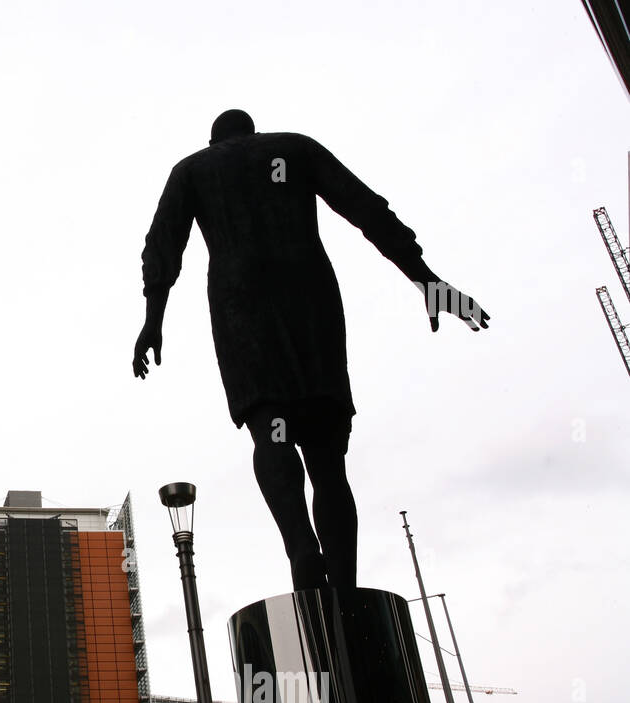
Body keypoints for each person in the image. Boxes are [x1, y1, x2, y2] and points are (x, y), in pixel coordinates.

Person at [134, 109, 490, 590]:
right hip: (310, 300)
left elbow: (161, 248)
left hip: (243, 307)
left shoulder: (194, 170)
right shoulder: (294, 148)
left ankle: (301, 547)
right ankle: (344, 581)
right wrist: (427, 281)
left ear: (215, 140)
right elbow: (366, 209)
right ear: (254, 132)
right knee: (327, 459)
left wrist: (153, 321)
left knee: (272, 433)